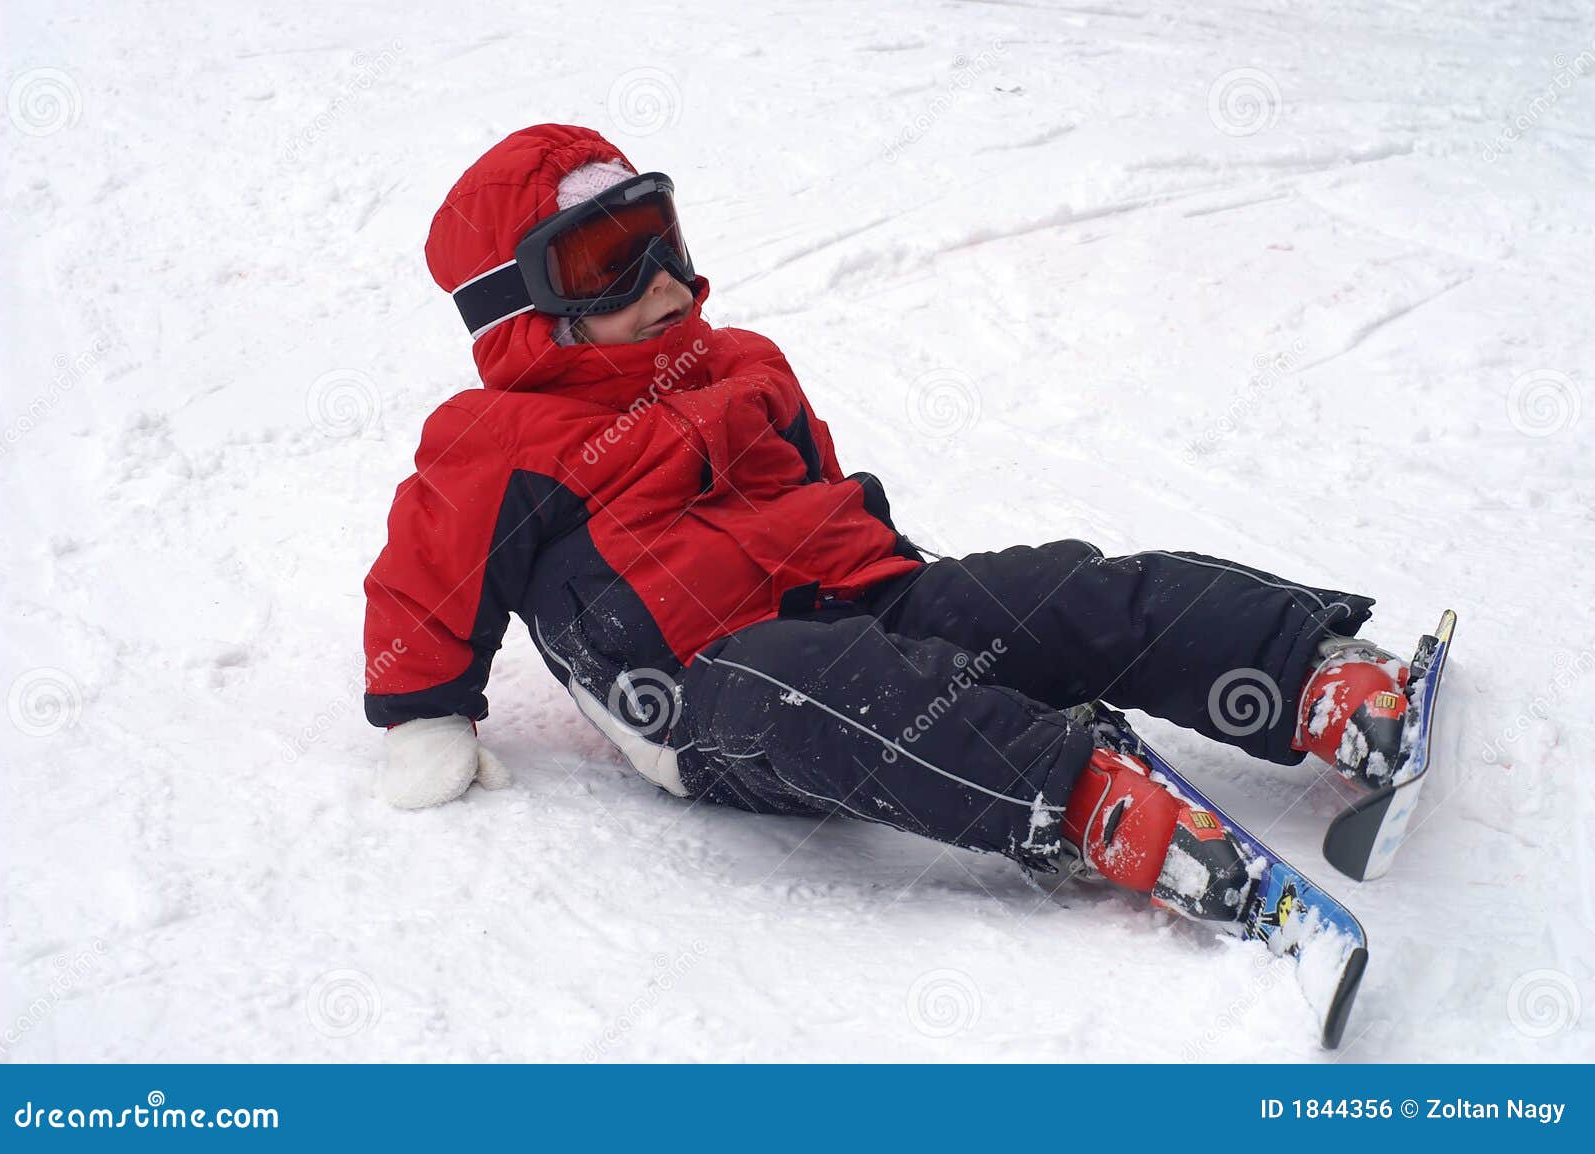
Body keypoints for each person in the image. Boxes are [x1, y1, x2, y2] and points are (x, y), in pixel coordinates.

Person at [363, 124, 1411, 923]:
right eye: (605, 263)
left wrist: (926, 597)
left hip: (863, 599)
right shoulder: (498, 436)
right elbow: (428, 574)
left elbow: (817, 489)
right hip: (712, 692)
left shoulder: (740, 361)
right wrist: (424, 709)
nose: (662, 282)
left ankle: (1313, 677)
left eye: (661, 242)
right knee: (823, 685)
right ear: (520, 308)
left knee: (1058, 588)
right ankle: (1084, 794)